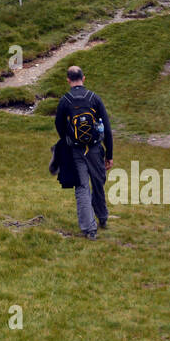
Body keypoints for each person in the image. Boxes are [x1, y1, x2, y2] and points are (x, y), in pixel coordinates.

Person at [52, 65, 114, 238]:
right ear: (83, 78)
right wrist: (109, 155)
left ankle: (89, 230)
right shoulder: (94, 98)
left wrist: (67, 140)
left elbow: (59, 125)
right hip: (95, 149)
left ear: (68, 80)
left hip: (76, 151)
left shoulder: (65, 100)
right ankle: (102, 217)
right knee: (98, 182)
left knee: (81, 187)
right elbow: (107, 129)